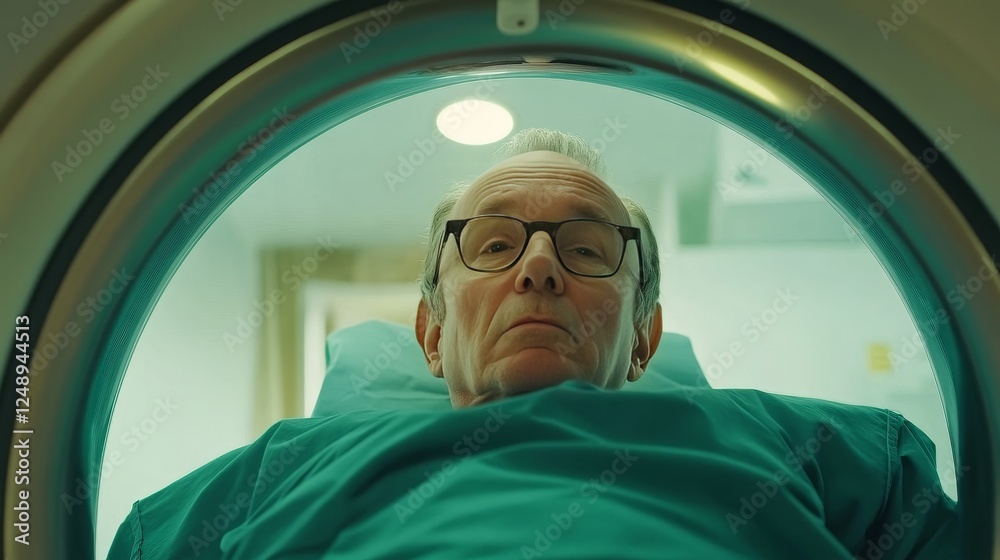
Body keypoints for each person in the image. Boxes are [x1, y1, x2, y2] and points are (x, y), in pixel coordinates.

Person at [108, 128, 958, 559]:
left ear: (643, 338)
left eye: (587, 249)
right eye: (493, 244)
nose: (541, 267)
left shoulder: (797, 445)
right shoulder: (287, 467)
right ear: (432, 332)